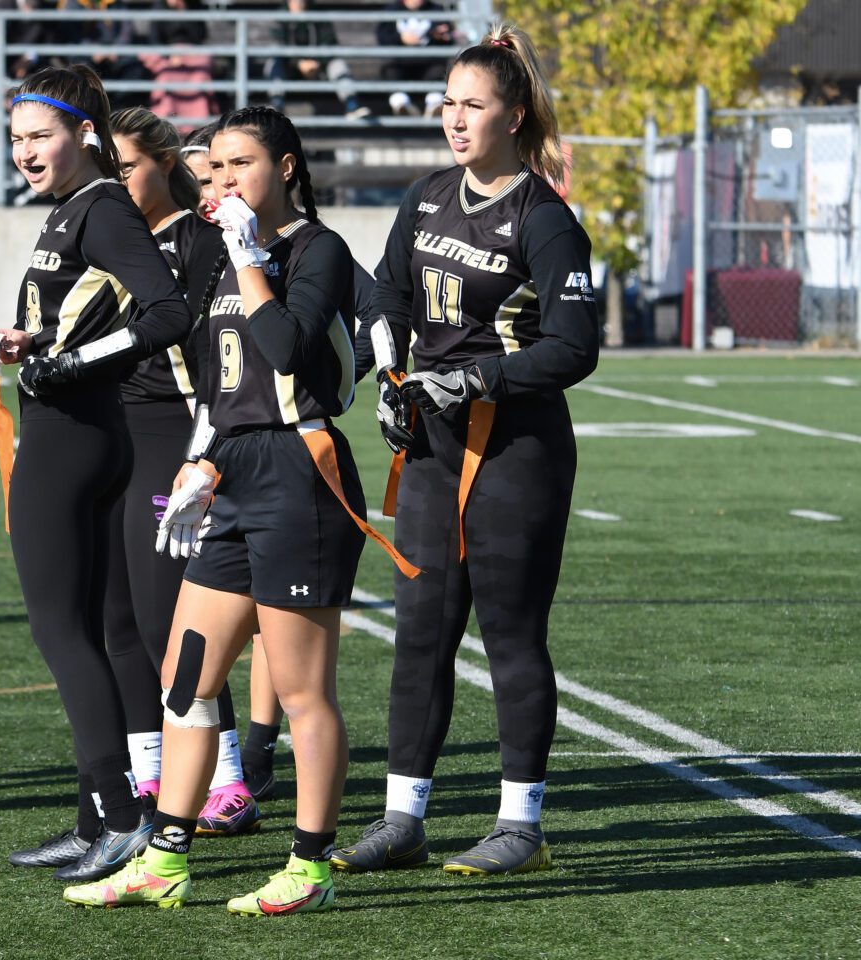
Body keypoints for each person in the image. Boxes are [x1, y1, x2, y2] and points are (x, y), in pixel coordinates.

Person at [63, 105, 377, 915]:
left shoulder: (318, 249)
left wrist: (246, 256)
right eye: (213, 169)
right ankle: (166, 856)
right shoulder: (217, 258)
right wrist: (201, 463)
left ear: (288, 168)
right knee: (184, 675)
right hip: (234, 472)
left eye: (240, 164)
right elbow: (218, 378)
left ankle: (310, 866)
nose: (224, 180)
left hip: (299, 475)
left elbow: (286, 348)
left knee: (304, 691)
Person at [332, 21, 598, 877]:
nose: (454, 119)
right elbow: (386, 295)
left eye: (472, 106)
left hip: (515, 449)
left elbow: (575, 346)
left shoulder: (544, 217)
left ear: (514, 115)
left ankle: (520, 823)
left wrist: (476, 381)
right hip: (435, 445)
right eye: (446, 103)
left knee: (513, 637)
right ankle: (402, 818)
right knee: (421, 633)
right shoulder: (426, 195)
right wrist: (387, 372)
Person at [0, 65, 191, 883]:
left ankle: (120, 816)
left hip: (72, 436)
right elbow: (97, 317)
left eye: (39, 136)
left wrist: (74, 362)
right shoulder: (74, 209)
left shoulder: (102, 206)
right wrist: (37, 345)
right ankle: (94, 819)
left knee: (58, 627)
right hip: (79, 426)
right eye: (15, 139)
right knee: (88, 624)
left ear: (84, 134)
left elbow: (168, 311)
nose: (24, 153)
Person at [104, 107, 260, 837]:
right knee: (122, 620)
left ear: (166, 162)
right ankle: (152, 775)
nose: (116, 181)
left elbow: (218, 358)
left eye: (128, 165)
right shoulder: (100, 230)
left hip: (177, 432)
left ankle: (226, 778)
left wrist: (207, 451)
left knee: (180, 623)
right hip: (112, 436)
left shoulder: (198, 238)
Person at [265, 0, 370, 121]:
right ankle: (277, 105)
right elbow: (279, 45)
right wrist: (299, 62)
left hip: (319, 68)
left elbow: (330, 43)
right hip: (290, 69)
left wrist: (317, 62)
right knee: (274, 63)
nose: (298, 2)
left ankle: (352, 106)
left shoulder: (319, 14)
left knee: (337, 64)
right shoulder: (280, 17)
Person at [137, 0, 217, 129]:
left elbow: (199, 36)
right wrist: (168, 55)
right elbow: (154, 39)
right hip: (166, 54)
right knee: (166, 76)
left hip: (192, 54)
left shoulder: (194, 6)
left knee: (201, 73)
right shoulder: (158, 7)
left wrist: (183, 10)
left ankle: (198, 120)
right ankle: (167, 118)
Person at [377, 0, 455, 117]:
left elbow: (448, 37)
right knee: (390, 69)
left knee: (439, 69)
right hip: (400, 64)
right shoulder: (392, 10)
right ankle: (401, 104)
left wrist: (437, 36)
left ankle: (434, 104)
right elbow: (382, 38)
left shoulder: (436, 10)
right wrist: (400, 38)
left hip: (429, 64)